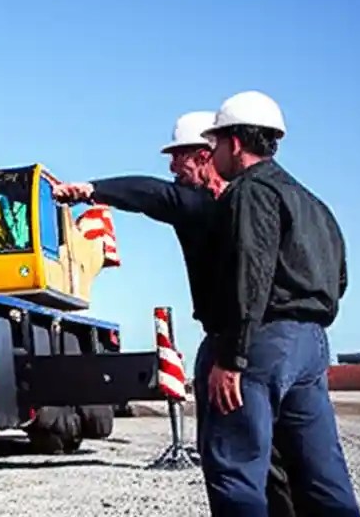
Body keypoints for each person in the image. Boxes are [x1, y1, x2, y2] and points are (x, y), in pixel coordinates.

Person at [52, 110, 303, 517]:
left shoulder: (224, 203)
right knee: (268, 457)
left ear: (208, 154)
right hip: (260, 345)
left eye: (179, 156)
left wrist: (91, 190)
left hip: (241, 345)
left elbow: (151, 192)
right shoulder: (234, 200)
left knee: (239, 460)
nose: (171, 166)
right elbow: (150, 192)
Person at [196, 90, 360, 517]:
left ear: (234, 143)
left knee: (237, 469)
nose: (212, 154)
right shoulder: (313, 203)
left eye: (214, 145)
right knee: (320, 472)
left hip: (261, 342)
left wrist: (232, 357)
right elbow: (339, 278)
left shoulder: (250, 193)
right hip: (310, 345)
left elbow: (249, 274)